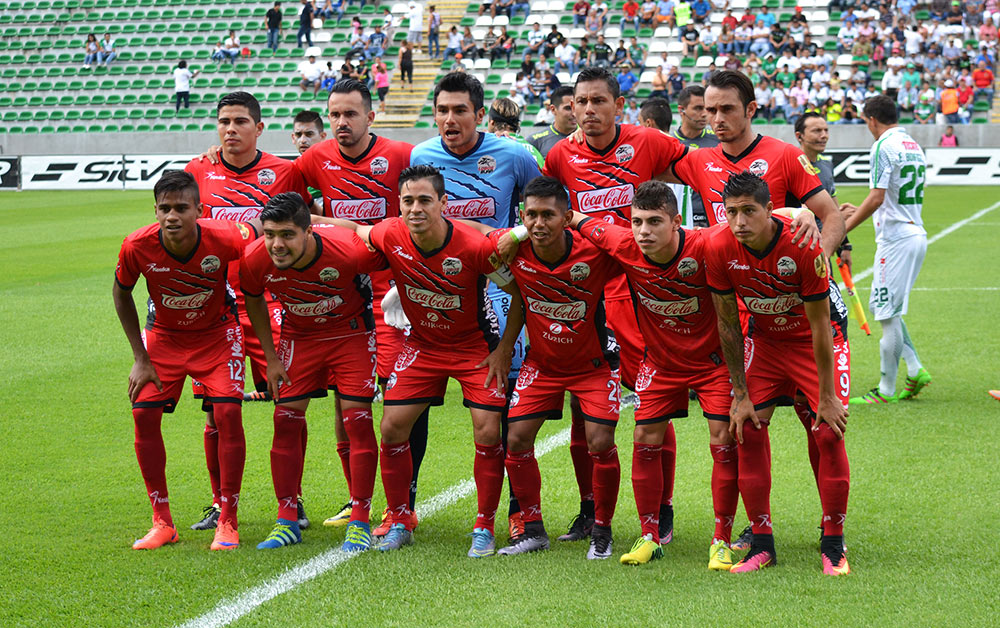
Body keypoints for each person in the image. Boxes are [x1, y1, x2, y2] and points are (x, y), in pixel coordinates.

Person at [525, 67, 688, 543]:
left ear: (619, 105)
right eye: (581, 102)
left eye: (599, 101)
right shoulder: (560, 155)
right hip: (586, 290)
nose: (589, 110)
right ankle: (590, 509)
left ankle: (662, 508)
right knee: (584, 405)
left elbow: (703, 171)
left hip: (641, 287)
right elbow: (546, 210)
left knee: (651, 399)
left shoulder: (648, 142)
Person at [351, 165, 525, 557]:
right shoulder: (389, 233)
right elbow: (358, 231)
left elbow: (518, 293)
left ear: (444, 203)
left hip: (473, 347)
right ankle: (400, 519)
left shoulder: (474, 246)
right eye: (408, 201)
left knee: (488, 432)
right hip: (423, 346)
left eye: (425, 200)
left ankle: (484, 526)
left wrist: (502, 351)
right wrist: (312, 222)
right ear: (399, 205)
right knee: (392, 427)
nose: (415, 209)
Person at [568, 181, 741, 569]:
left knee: (723, 437)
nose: (643, 231)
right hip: (660, 363)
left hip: (712, 363)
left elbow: (754, 220)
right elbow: (580, 220)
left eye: (654, 222)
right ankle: (649, 536)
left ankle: (721, 540)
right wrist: (525, 230)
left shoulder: (706, 243)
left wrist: (798, 214)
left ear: (677, 222)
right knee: (644, 436)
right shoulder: (625, 244)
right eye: (637, 221)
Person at [411, 72, 542, 542]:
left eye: (460, 110)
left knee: (503, 402)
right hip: (438, 292)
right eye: (442, 111)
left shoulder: (514, 155)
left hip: (498, 291)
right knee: (412, 403)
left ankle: (517, 511)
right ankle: (402, 506)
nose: (450, 119)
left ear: (480, 114)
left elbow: (544, 208)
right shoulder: (421, 156)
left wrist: (516, 238)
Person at [705, 171, 851, 576]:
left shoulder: (804, 245)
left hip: (814, 338)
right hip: (766, 340)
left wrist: (826, 397)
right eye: (731, 212)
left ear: (770, 209)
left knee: (828, 431)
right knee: (747, 428)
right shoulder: (719, 246)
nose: (739, 222)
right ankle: (762, 544)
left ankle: (833, 544)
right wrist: (739, 394)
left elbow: (820, 326)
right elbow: (728, 324)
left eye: (749, 211)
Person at [478, 176, 623, 559]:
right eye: (531, 215)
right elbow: (479, 247)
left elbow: (627, 247)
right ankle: (533, 530)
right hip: (542, 364)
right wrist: (504, 348)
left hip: (593, 365)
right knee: (516, 439)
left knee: (599, 442)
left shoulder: (593, 253)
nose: (538, 223)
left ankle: (602, 530)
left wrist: (586, 223)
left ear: (566, 217)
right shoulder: (514, 252)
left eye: (548, 215)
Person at [184, 92, 311, 530]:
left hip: (269, 300)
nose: (230, 129)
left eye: (240, 121)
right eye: (224, 121)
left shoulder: (285, 172)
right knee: (215, 410)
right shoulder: (197, 170)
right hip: (214, 305)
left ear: (259, 128)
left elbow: (302, 229)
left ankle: (292, 500)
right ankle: (221, 503)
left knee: (288, 403)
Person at [113, 170, 258, 552]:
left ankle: (228, 520)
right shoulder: (136, 245)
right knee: (143, 414)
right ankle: (162, 522)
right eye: (164, 208)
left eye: (181, 208)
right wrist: (140, 358)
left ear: (200, 210)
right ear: (155, 211)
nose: (172, 216)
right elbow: (121, 293)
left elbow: (260, 229)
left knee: (228, 413)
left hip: (218, 336)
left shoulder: (225, 236)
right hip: (164, 339)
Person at [240, 192, 385, 551]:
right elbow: (253, 298)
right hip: (299, 337)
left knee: (358, 421)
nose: (277, 244)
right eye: (270, 234)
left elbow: (393, 258)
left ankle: (360, 520)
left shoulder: (349, 250)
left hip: (351, 335)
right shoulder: (255, 257)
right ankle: (287, 520)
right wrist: (271, 358)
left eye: (287, 234)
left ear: (309, 231)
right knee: (285, 420)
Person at [841, 95, 931, 404]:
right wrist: (859, 211)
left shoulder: (882, 146)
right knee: (886, 308)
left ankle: (886, 390)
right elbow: (892, 199)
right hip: (914, 232)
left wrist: (843, 228)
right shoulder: (912, 145)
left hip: (896, 240)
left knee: (886, 314)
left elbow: (878, 197)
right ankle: (915, 369)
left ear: (872, 120)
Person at [669, 85, 720, 228]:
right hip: (679, 219)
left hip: (713, 218)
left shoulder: (719, 141)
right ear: (681, 110)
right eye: (698, 108)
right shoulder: (669, 144)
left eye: (707, 109)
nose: (704, 114)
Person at [527, 86, 577, 157]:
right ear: (553, 109)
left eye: (576, 108)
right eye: (568, 108)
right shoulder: (535, 141)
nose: (574, 113)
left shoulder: (590, 138)